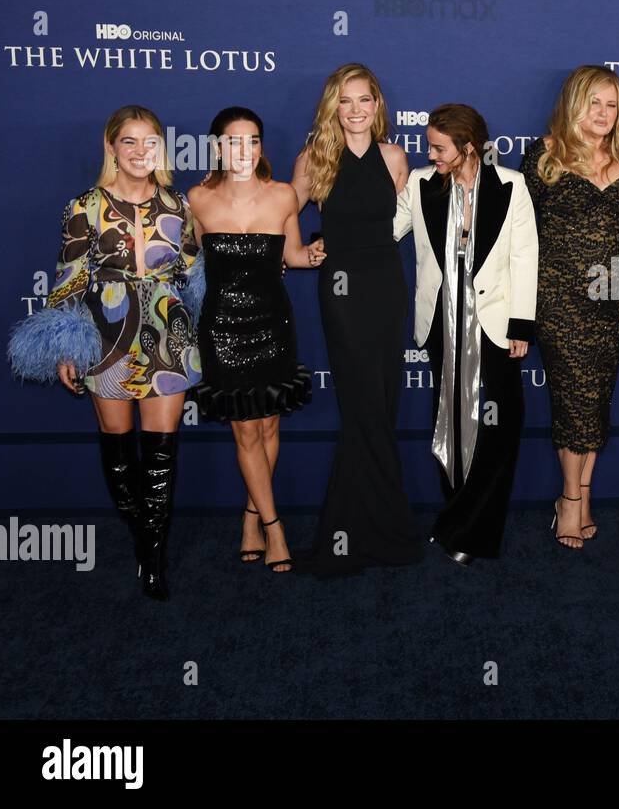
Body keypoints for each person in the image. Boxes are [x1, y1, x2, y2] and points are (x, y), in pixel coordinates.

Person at [9, 105, 202, 600]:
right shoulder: (84, 206)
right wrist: (66, 345)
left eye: (150, 142)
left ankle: (154, 558)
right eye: (130, 142)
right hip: (107, 337)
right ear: (111, 148)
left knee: (161, 453)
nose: (140, 152)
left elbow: (191, 270)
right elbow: (69, 279)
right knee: (119, 454)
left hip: (165, 333)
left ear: (161, 147)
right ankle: (143, 537)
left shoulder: (178, 204)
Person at [292, 63, 423, 576]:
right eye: (345, 101)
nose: (356, 110)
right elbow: (283, 205)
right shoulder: (314, 158)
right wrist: (296, 250)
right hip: (342, 293)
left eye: (364, 100)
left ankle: (367, 529)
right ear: (332, 106)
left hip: (387, 288)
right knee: (362, 406)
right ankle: (376, 532)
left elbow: (408, 222)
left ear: (378, 105)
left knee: (381, 405)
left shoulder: (395, 156)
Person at [394, 104, 537, 565]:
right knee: (452, 425)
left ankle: (473, 530)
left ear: (468, 147)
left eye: (439, 147)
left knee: (497, 427)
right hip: (441, 324)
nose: (430, 153)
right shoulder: (419, 184)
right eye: (429, 145)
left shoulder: (511, 186)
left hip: (494, 325)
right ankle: (455, 519)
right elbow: (381, 232)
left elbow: (524, 258)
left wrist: (521, 324)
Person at [187, 106, 326, 573]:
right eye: (233, 141)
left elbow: (294, 255)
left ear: (261, 147)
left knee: (268, 426)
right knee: (246, 427)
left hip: (273, 325)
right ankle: (274, 527)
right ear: (218, 147)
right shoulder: (197, 199)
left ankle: (250, 516)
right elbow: (184, 262)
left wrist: (322, 250)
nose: (243, 150)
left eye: (252, 141)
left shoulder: (283, 195)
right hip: (222, 328)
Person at [519, 66, 619, 550]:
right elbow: (520, 232)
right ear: (574, 103)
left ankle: (583, 493)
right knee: (573, 399)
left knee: (597, 399)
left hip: (612, 303)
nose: (603, 114)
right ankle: (570, 500)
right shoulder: (547, 155)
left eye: (612, 105)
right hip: (557, 299)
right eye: (594, 102)